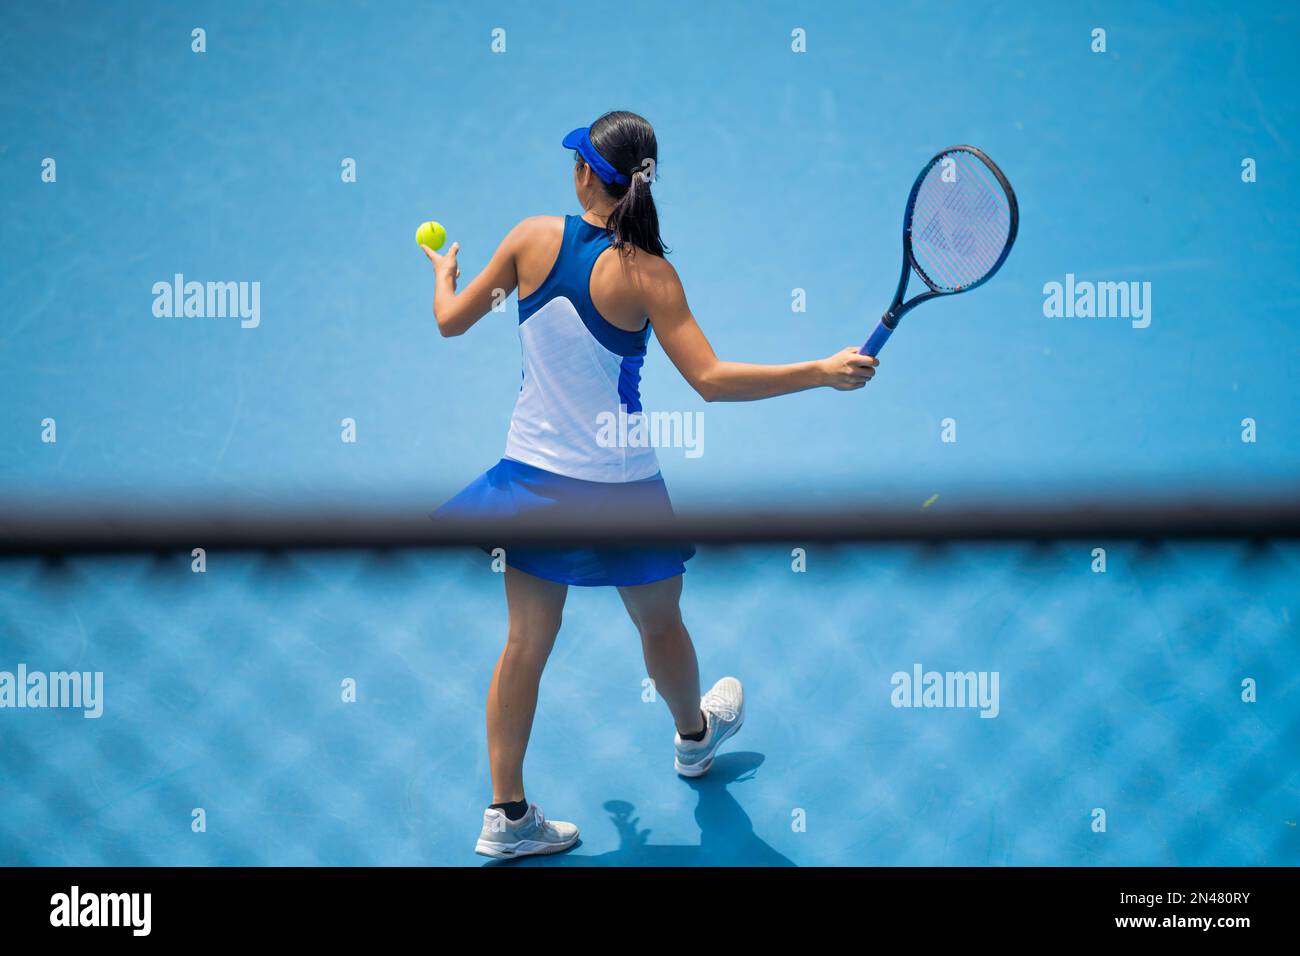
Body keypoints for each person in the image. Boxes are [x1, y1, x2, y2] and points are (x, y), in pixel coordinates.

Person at [425, 110, 878, 859]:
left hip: (532, 480)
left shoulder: (529, 239)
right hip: (620, 488)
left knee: (525, 644)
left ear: (582, 174)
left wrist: (444, 275)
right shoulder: (650, 277)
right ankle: (694, 739)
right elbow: (712, 380)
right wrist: (820, 373)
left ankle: (506, 816)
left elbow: (448, 322)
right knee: (661, 623)